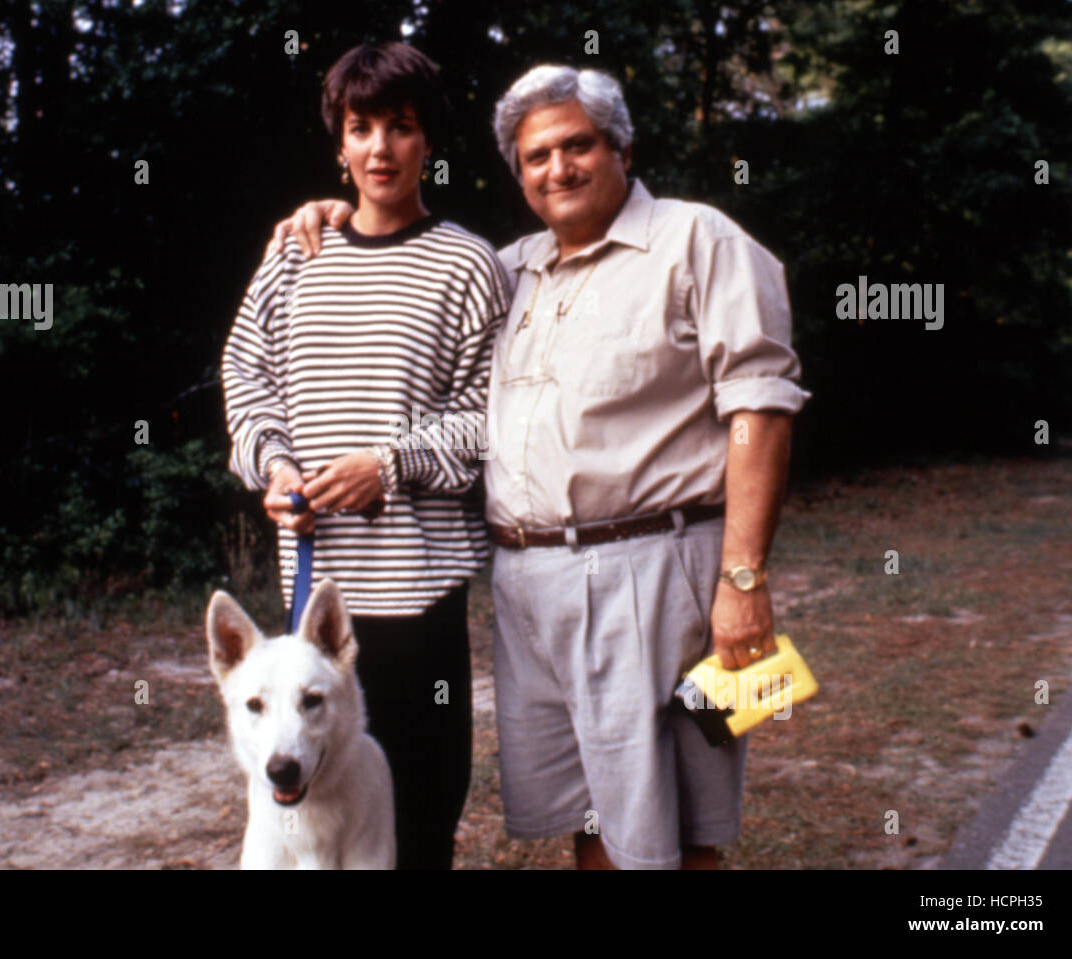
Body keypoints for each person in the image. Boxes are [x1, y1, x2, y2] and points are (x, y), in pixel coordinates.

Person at [273, 64, 810, 870]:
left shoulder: (699, 240)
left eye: (577, 145)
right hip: (530, 586)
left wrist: (743, 581)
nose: (558, 168)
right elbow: (399, 259)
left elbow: (760, 407)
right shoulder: (510, 268)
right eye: (535, 157)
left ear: (623, 148)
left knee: (671, 822)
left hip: (654, 571)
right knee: (590, 815)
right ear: (518, 175)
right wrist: (334, 212)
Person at [220, 42, 511, 870]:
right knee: (309, 825)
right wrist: (273, 465)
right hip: (317, 601)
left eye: (402, 126)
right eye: (361, 128)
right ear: (339, 143)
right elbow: (246, 373)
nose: (380, 147)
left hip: (419, 596)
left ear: (429, 141)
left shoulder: (468, 264)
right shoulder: (295, 252)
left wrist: (389, 464)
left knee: (418, 817)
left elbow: (491, 419)